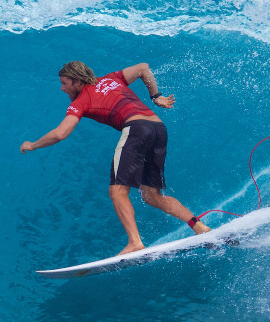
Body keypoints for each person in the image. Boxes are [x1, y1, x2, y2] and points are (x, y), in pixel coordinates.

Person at [20, 60, 211, 256]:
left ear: (77, 81)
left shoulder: (81, 101)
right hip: (158, 129)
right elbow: (143, 68)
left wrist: (33, 145)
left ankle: (135, 242)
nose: (62, 88)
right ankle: (199, 227)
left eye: (64, 83)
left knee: (117, 192)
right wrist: (156, 97)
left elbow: (61, 133)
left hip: (137, 129)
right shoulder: (111, 79)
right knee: (152, 196)